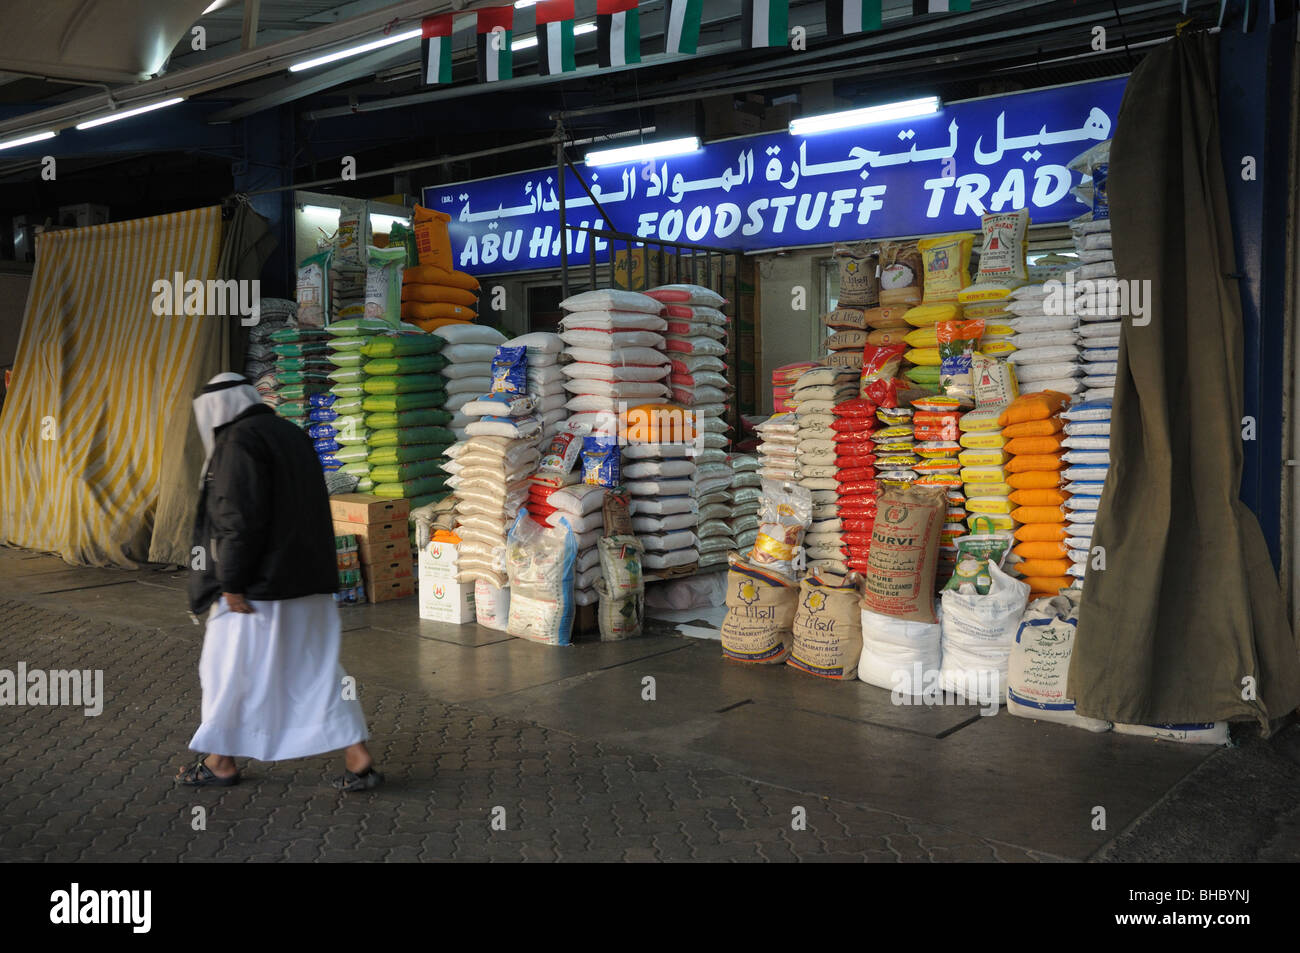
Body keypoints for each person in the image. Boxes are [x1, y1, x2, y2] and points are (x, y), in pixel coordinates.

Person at [176, 372, 381, 792]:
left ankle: (221, 762)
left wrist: (231, 582)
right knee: (314, 670)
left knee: (225, 670)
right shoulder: (289, 433)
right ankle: (358, 757)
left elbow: (237, 520)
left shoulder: (237, 443)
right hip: (309, 581)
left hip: (259, 588)